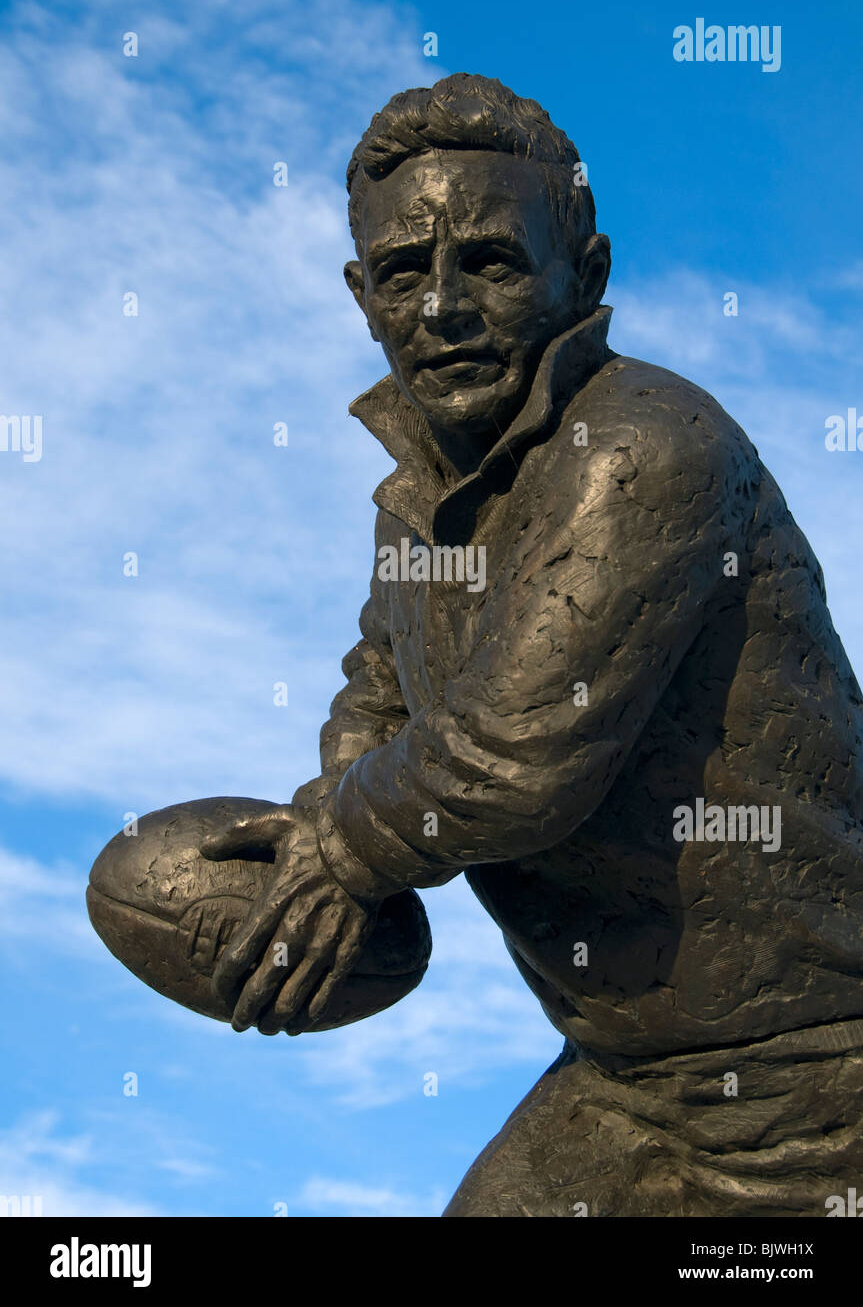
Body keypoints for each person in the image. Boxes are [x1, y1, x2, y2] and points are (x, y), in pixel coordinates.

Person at [201, 73, 863, 1215]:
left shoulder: (644, 445)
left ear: (585, 275)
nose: (443, 307)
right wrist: (317, 857)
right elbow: (377, 696)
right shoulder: (418, 502)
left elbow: (510, 755)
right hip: (625, 1082)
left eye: (491, 262)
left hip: (816, 1080)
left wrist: (342, 853)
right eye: (404, 273)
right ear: (361, 295)